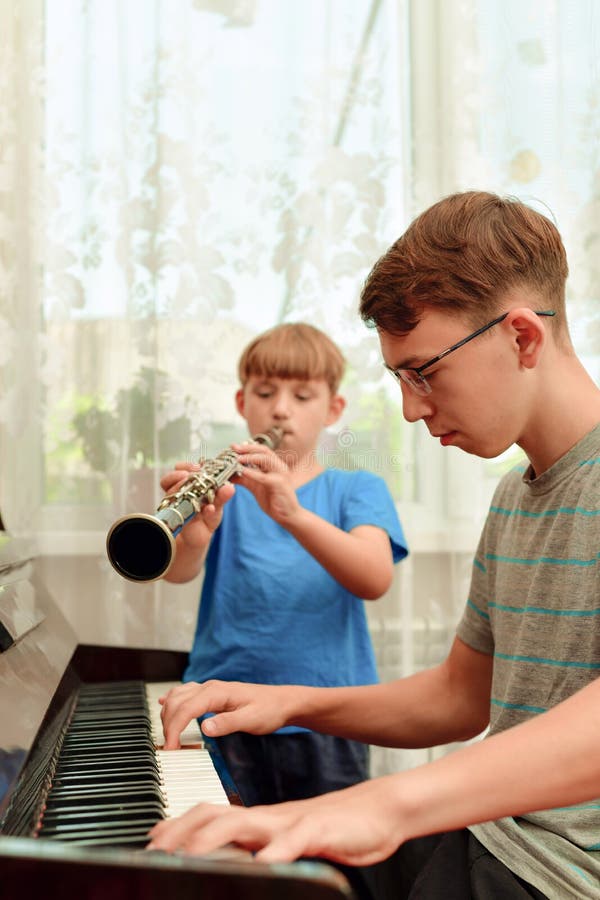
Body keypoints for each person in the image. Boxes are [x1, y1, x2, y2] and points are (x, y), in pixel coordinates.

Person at [149, 192, 600, 899]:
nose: (411, 407)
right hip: (491, 832)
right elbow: (458, 698)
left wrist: (374, 806)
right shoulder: (516, 496)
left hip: (558, 875)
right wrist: (289, 702)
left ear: (522, 338)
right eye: (398, 378)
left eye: (424, 371)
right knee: (214, 870)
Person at [159, 322, 408, 807]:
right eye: (266, 392)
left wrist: (290, 512)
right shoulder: (226, 490)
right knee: (229, 868)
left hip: (327, 720)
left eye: (302, 395)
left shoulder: (356, 489)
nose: (280, 408)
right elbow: (178, 571)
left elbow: (374, 578)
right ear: (241, 402)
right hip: (220, 707)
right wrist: (193, 532)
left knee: (326, 866)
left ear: (333, 409)